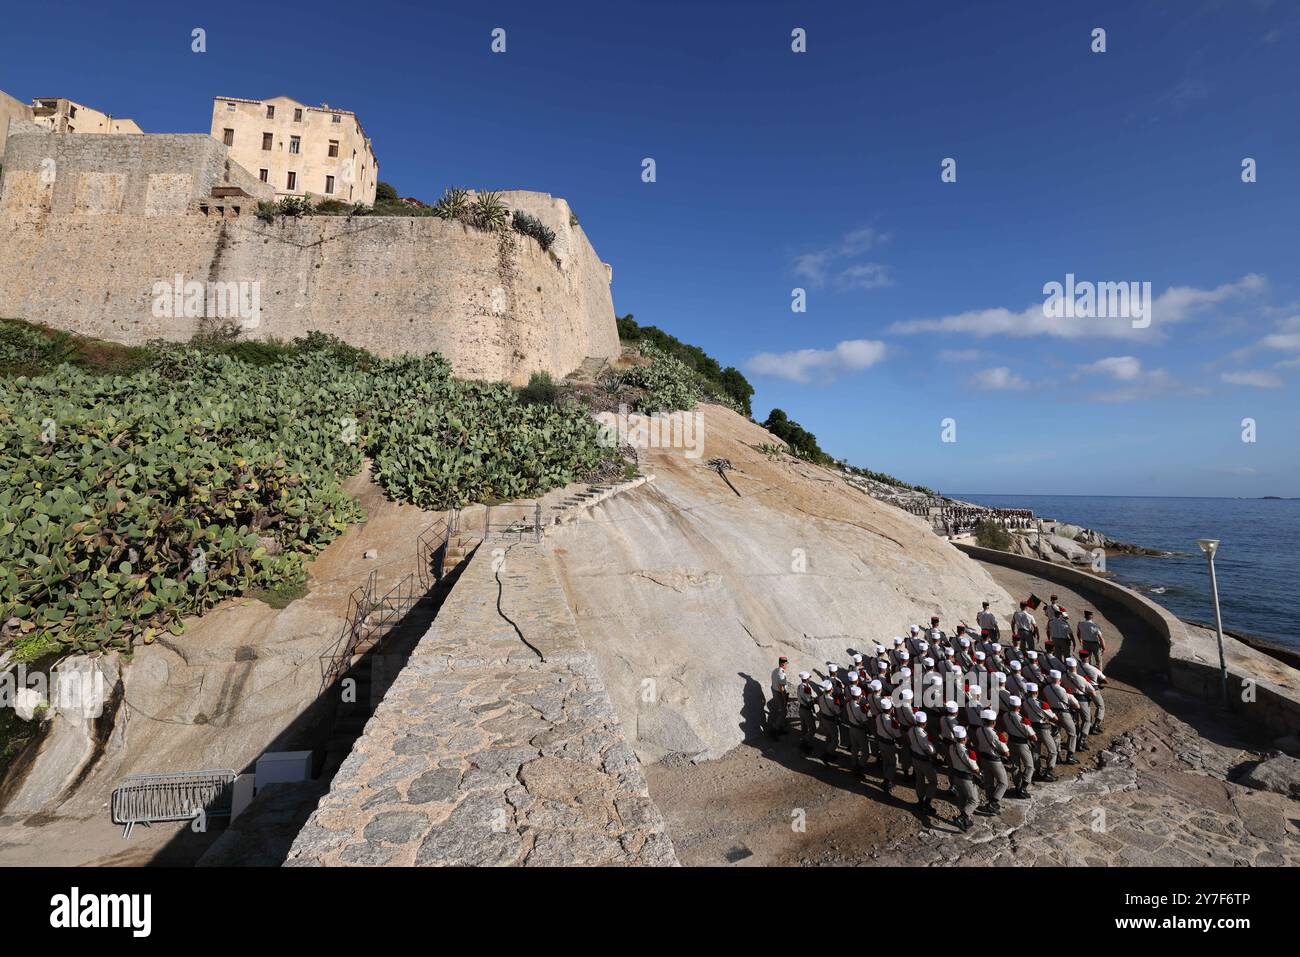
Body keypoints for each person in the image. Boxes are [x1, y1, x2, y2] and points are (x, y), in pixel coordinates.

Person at [975, 709, 1010, 815]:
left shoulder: (979, 730)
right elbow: (1006, 752)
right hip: (994, 760)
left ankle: (989, 801)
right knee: (1003, 782)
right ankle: (993, 803)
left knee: (989, 782)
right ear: (994, 722)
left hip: (983, 758)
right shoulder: (995, 734)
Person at [1001, 695, 1036, 798]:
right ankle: (1023, 787)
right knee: (1029, 766)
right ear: (1019, 707)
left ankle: (1017, 786)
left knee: (1015, 766)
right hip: (1022, 744)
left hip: (1011, 742)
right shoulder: (1022, 720)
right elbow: (1033, 737)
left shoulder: (1005, 715)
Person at [947, 727, 980, 832]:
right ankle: (961, 818)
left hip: (956, 776)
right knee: (974, 801)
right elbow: (975, 768)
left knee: (962, 797)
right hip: (966, 778)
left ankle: (965, 819)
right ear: (965, 738)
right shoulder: (966, 751)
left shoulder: (951, 747)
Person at [908, 711, 939, 816]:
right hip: (924, 761)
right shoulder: (924, 735)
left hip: (915, 758)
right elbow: (931, 750)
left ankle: (920, 801)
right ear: (924, 723)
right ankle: (927, 803)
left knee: (919, 780)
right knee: (933, 782)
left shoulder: (911, 730)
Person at [875, 698, 902, 795]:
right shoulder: (893, 722)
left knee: (885, 761)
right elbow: (898, 736)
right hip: (889, 744)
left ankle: (887, 777)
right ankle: (886, 781)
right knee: (893, 763)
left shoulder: (878, 717)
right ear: (891, 709)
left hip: (881, 741)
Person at [845, 686, 871, 777]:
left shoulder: (848, 704)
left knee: (854, 748)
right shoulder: (860, 708)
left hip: (852, 728)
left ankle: (854, 763)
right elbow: (865, 722)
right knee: (866, 752)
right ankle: (858, 768)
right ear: (860, 696)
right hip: (860, 730)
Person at [796, 671, 818, 753]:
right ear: (807, 679)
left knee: (804, 727)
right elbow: (809, 700)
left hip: (801, 709)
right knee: (812, 729)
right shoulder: (807, 688)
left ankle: (804, 744)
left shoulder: (799, 686)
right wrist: (816, 700)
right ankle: (803, 743)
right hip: (806, 710)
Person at [768, 656, 790, 735]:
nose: (787, 665)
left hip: (775, 693)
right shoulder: (781, 673)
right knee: (783, 712)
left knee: (781, 711)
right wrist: (784, 698)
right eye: (786, 664)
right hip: (780, 694)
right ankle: (775, 728)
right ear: (783, 664)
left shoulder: (775, 670)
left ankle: (780, 727)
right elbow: (781, 687)